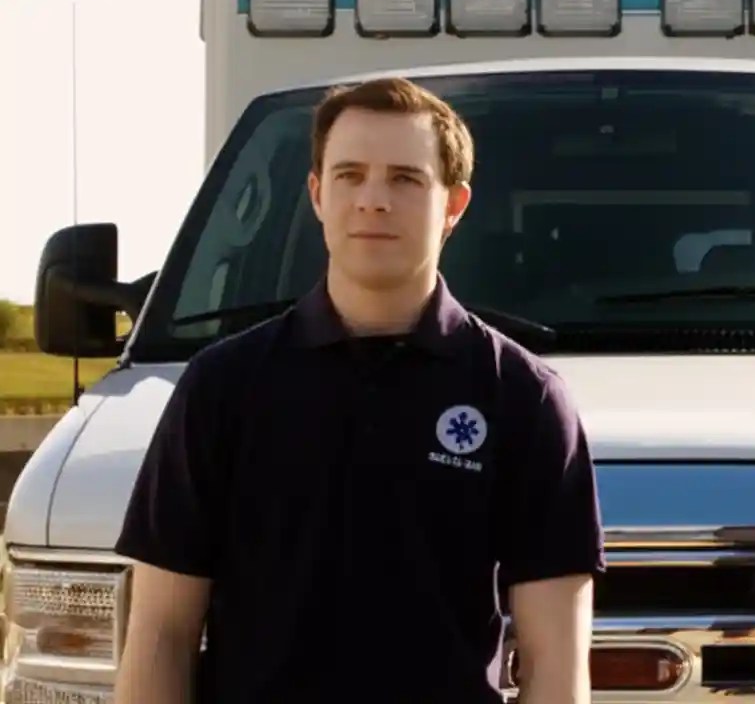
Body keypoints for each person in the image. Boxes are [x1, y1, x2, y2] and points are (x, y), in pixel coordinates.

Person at [113, 77, 606, 703]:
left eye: (405, 179)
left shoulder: (523, 397)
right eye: (350, 175)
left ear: (453, 205)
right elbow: (160, 635)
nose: (373, 200)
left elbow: (555, 662)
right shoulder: (223, 387)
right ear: (317, 195)